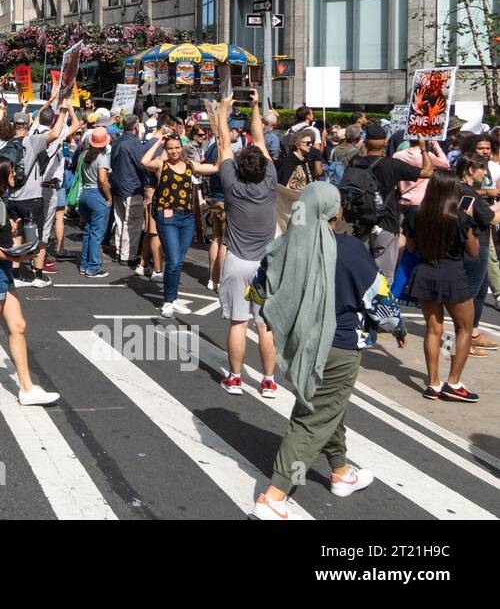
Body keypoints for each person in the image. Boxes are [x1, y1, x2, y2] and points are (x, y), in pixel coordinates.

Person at [251, 182, 405, 519]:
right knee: (311, 419)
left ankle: (341, 472)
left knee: (325, 406)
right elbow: (380, 301)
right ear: (335, 212)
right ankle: (275, 494)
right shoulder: (349, 249)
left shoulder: (283, 247)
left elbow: (260, 294)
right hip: (339, 347)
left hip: (298, 344)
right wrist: (398, 327)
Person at [0, 155, 60, 408]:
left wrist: (11, 233)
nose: (15, 175)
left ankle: (26, 388)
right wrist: (15, 254)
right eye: (11, 171)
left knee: (18, 325)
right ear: (0, 174)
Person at [205, 92, 279, 397]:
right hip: (266, 264)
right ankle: (268, 381)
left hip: (237, 261)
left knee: (238, 322)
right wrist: (256, 106)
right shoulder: (271, 180)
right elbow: (260, 140)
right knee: (264, 325)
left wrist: (223, 110)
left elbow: (223, 143)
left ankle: (235, 377)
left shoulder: (231, 186)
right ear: (264, 166)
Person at [407, 170, 482, 402]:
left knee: (433, 330)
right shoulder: (459, 217)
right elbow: (474, 252)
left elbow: (411, 248)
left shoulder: (416, 213)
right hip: (453, 275)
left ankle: (433, 384)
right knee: (464, 329)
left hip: (426, 272)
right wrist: (468, 219)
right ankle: (454, 382)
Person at [142, 129, 218, 317]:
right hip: (166, 217)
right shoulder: (161, 165)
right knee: (174, 260)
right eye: (170, 148)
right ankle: (168, 301)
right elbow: (144, 162)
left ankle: (173, 299)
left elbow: (215, 168)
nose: (174, 151)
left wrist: (222, 142)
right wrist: (158, 143)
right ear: (166, 149)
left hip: (187, 218)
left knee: (178, 261)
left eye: (177, 148)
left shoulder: (190, 165)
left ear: (182, 148)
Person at [345, 125, 433, 281]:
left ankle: (363, 302)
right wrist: (423, 148)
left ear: (365, 142)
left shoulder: (355, 162)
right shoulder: (391, 164)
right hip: (386, 222)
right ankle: (381, 304)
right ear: (385, 142)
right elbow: (428, 172)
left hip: (361, 221)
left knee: (363, 270)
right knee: (385, 274)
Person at [7, 106, 70, 287]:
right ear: (27, 126)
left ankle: (16, 273)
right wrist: (63, 112)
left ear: (14, 126)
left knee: (16, 235)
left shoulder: (8, 144)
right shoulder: (32, 141)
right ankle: (38, 275)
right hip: (32, 197)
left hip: (13, 197)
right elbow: (55, 133)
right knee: (38, 236)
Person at [455, 154, 498, 355]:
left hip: (477, 244)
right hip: (474, 246)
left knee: (480, 290)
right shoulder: (469, 193)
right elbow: (490, 218)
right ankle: (464, 339)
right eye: (482, 169)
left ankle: (472, 333)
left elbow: (486, 213)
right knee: (471, 293)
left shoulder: (464, 191)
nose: (485, 173)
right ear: (472, 170)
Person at [76, 126, 113, 279]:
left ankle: (85, 264)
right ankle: (93, 267)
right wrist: (109, 197)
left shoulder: (84, 154)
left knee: (88, 231)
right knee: (97, 233)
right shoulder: (102, 157)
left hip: (85, 193)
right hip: (97, 194)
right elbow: (103, 180)